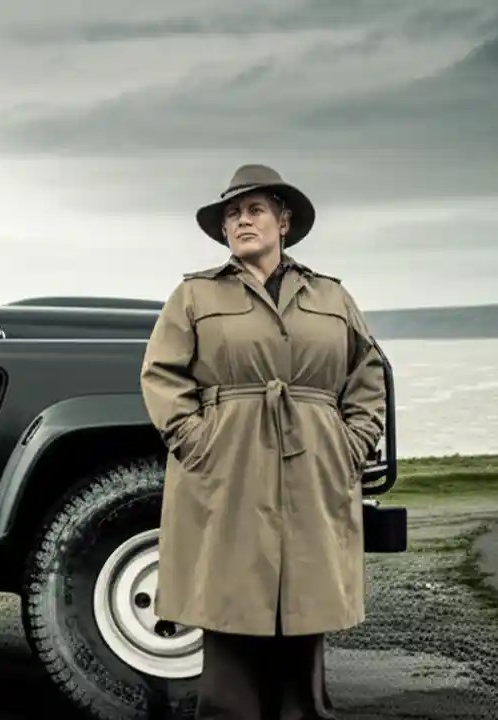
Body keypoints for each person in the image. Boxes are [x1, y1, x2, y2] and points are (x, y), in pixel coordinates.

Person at [139, 164, 387, 719]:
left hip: (315, 466)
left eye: (254, 210)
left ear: (283, 220)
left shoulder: (331, 295)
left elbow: (368, 375)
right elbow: (161, 376)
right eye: (232, 214)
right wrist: (198, 443)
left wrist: (352, 444)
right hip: (227, 469)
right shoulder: (194, 294)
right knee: (230, 613)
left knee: (306, 616)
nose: (242, 221)